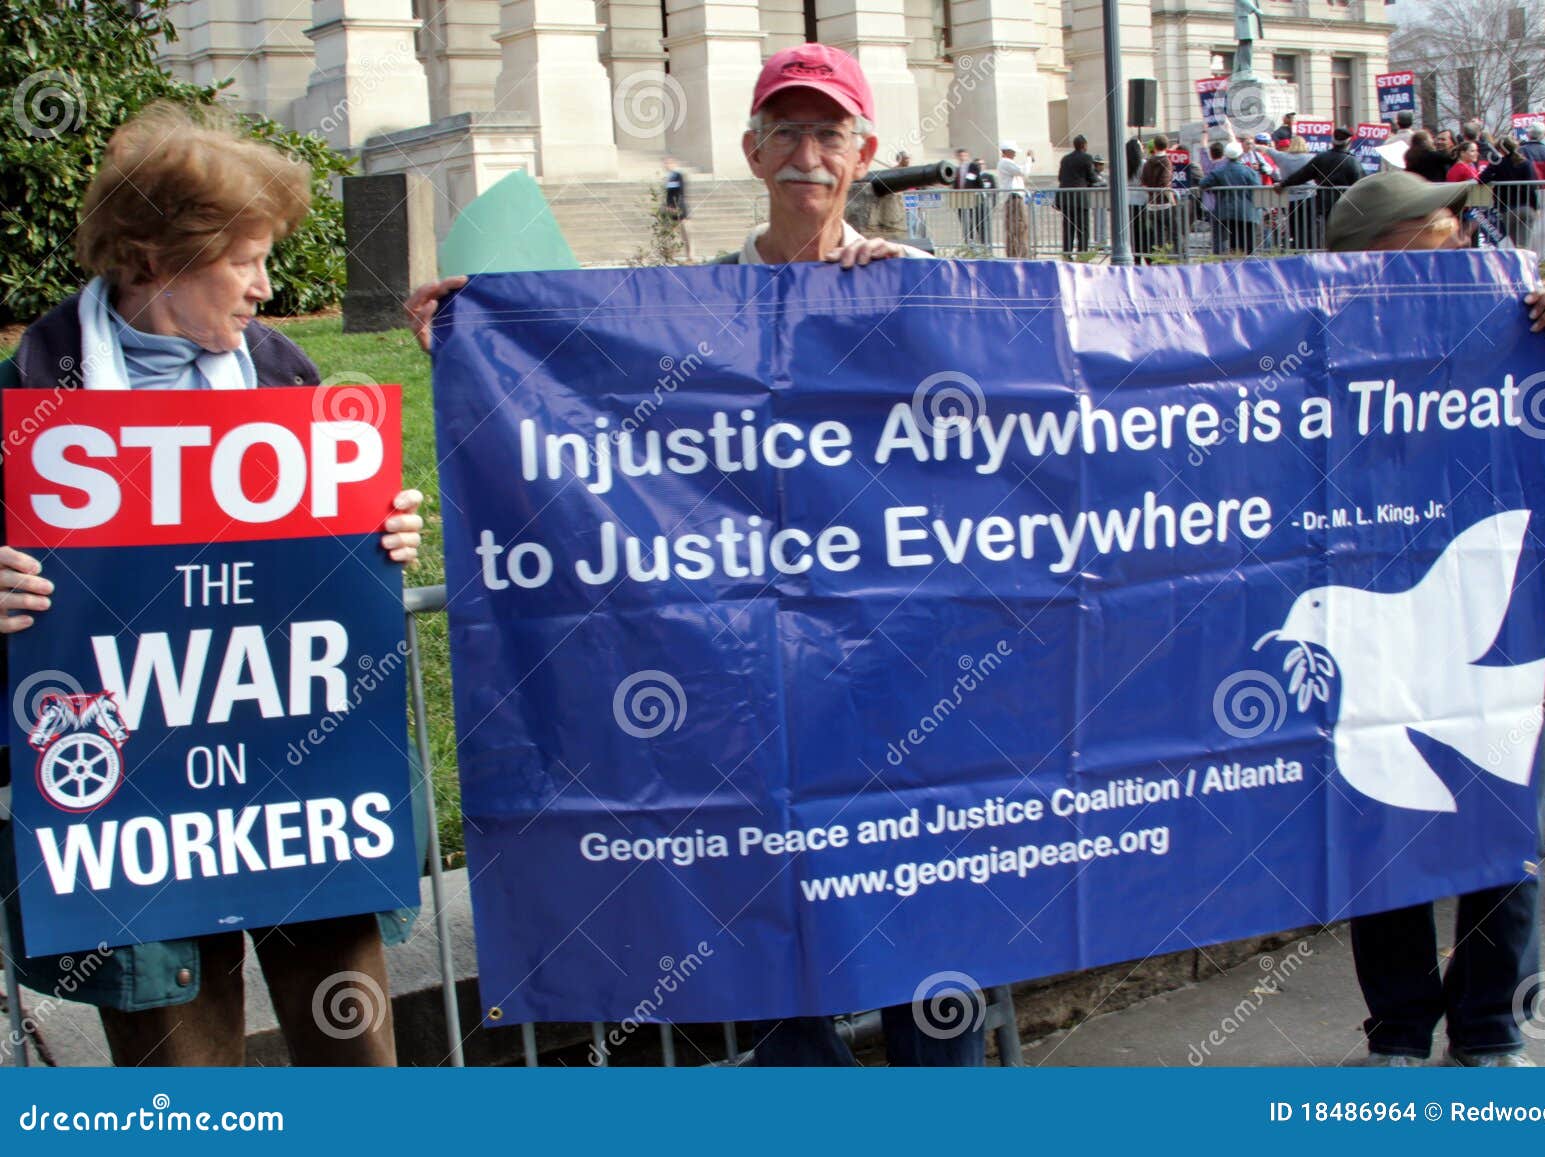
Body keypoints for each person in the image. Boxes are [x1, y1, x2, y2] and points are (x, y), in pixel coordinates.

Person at [408, 43, 982, 1069]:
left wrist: (928, 306)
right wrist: (470, 339)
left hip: (893, 669)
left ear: (865, 152)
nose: (809, 153)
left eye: (829, 132)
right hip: (744, 673)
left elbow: (1010, 419)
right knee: (763, 912)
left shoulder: (913, 285)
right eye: (788, 131)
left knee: (918, 913)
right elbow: (578, 396)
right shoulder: (686, 302)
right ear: (753, 150)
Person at [0, 101, 428, 1067]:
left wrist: (380, 535)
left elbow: (326, 567)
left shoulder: (284, 377)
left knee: (355, 1062)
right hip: (127, 816)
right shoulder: (29, 394)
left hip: (299, 789)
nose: (267, 289)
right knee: (183, 1079)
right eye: (246, 261)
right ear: (154, 258)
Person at [1325, 170, 1545, 1066]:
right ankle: (1400, 1026)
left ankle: (1490, 1027)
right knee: (1382, 814)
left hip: (1490, 615)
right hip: (1371, 621)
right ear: (1384, 251)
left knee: (1494, 823)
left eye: (1464, 230)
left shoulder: (1510, 323)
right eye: (1445, 231)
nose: (1469, 243)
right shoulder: (1312, 342)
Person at [1278, 126, 1365, 249]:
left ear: (1332, 140)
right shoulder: (1352, 161)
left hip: (1322, 204)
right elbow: (1361, 184)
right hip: (1345, 205)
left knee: (1322, 236)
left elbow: (1302, 175)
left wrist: (1283, 184)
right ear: (1349, 142)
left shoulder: (1322, 158)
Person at [1199, 141, 1262, 255]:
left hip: (1225, 213)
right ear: (1240, 155)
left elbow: (1203, 183)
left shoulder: (1219, 172)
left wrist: (1214, 188)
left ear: (1226, 155)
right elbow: (1259, 188)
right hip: (1247, 213)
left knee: (1232, 244)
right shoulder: (1249, 171)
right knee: (1248, 246)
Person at [1481, 135, 1539, 247]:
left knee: (1512, 243)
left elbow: (1482, 179)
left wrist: (1493, 170)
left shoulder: (1497, 163)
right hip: (1525, 208)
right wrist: (1536, 207)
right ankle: (1523, 262)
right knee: (1522, 244)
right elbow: (1531, 188)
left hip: (1505, 209)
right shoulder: (1526, 163)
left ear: (1500, 150)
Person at [1134, 133, 1176, 264]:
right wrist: (1172, 200)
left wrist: (1151, 194)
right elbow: (1165, 184)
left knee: (1157, 235)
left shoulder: (1148, 162)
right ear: (1167, 146)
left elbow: (1144, 182)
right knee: (1175, 232)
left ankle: (1159, 259)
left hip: (1151, 205)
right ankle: (1175, 259)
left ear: (1155, 146)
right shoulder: (1166, 162)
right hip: (1164, 204)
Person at [1057, 134, 1096, 255]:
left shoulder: (1065, 159)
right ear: (1084, 145)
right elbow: (1091, 176)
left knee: (1068, 228)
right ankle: (1082, 254)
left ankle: (1067, 254)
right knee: (1083, 228)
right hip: (1080, 198)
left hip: (1066, 198)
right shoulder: (1087, 158)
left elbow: (1060, 177)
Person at [996, 140, 1035, 258]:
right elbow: (1024, 171)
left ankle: (1018, 253)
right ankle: (1019, 254)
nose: (1015, 154)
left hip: (1014, 197)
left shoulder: (1006, 163)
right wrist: (1028, 159)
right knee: (1019, 226)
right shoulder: (1005, 163)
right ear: (1007, 152)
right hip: (1014, 198)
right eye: (1013, 152)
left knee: (1018, 227)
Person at [662, 155, 692, 260]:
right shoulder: (669, 177)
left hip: (680, 208)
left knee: (685, 233)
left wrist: (676, 206)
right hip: (670, 209)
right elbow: (669, 194)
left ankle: (689, 255)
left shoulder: (678, 175)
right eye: (665, 163)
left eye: (668, 163)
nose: (666, 165)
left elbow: (681, 192)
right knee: (671, 233)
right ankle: (671, 254)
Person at [952, 147, 983, 245]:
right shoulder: (956, 169)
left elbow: (978, 181)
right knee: (965, 221)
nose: (962, 158)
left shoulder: (972, 167)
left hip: (972, 197)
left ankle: (982, 242)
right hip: (961, 198)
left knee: (976, 220)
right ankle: (969, 242)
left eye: (964, 155)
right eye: (960, 156)